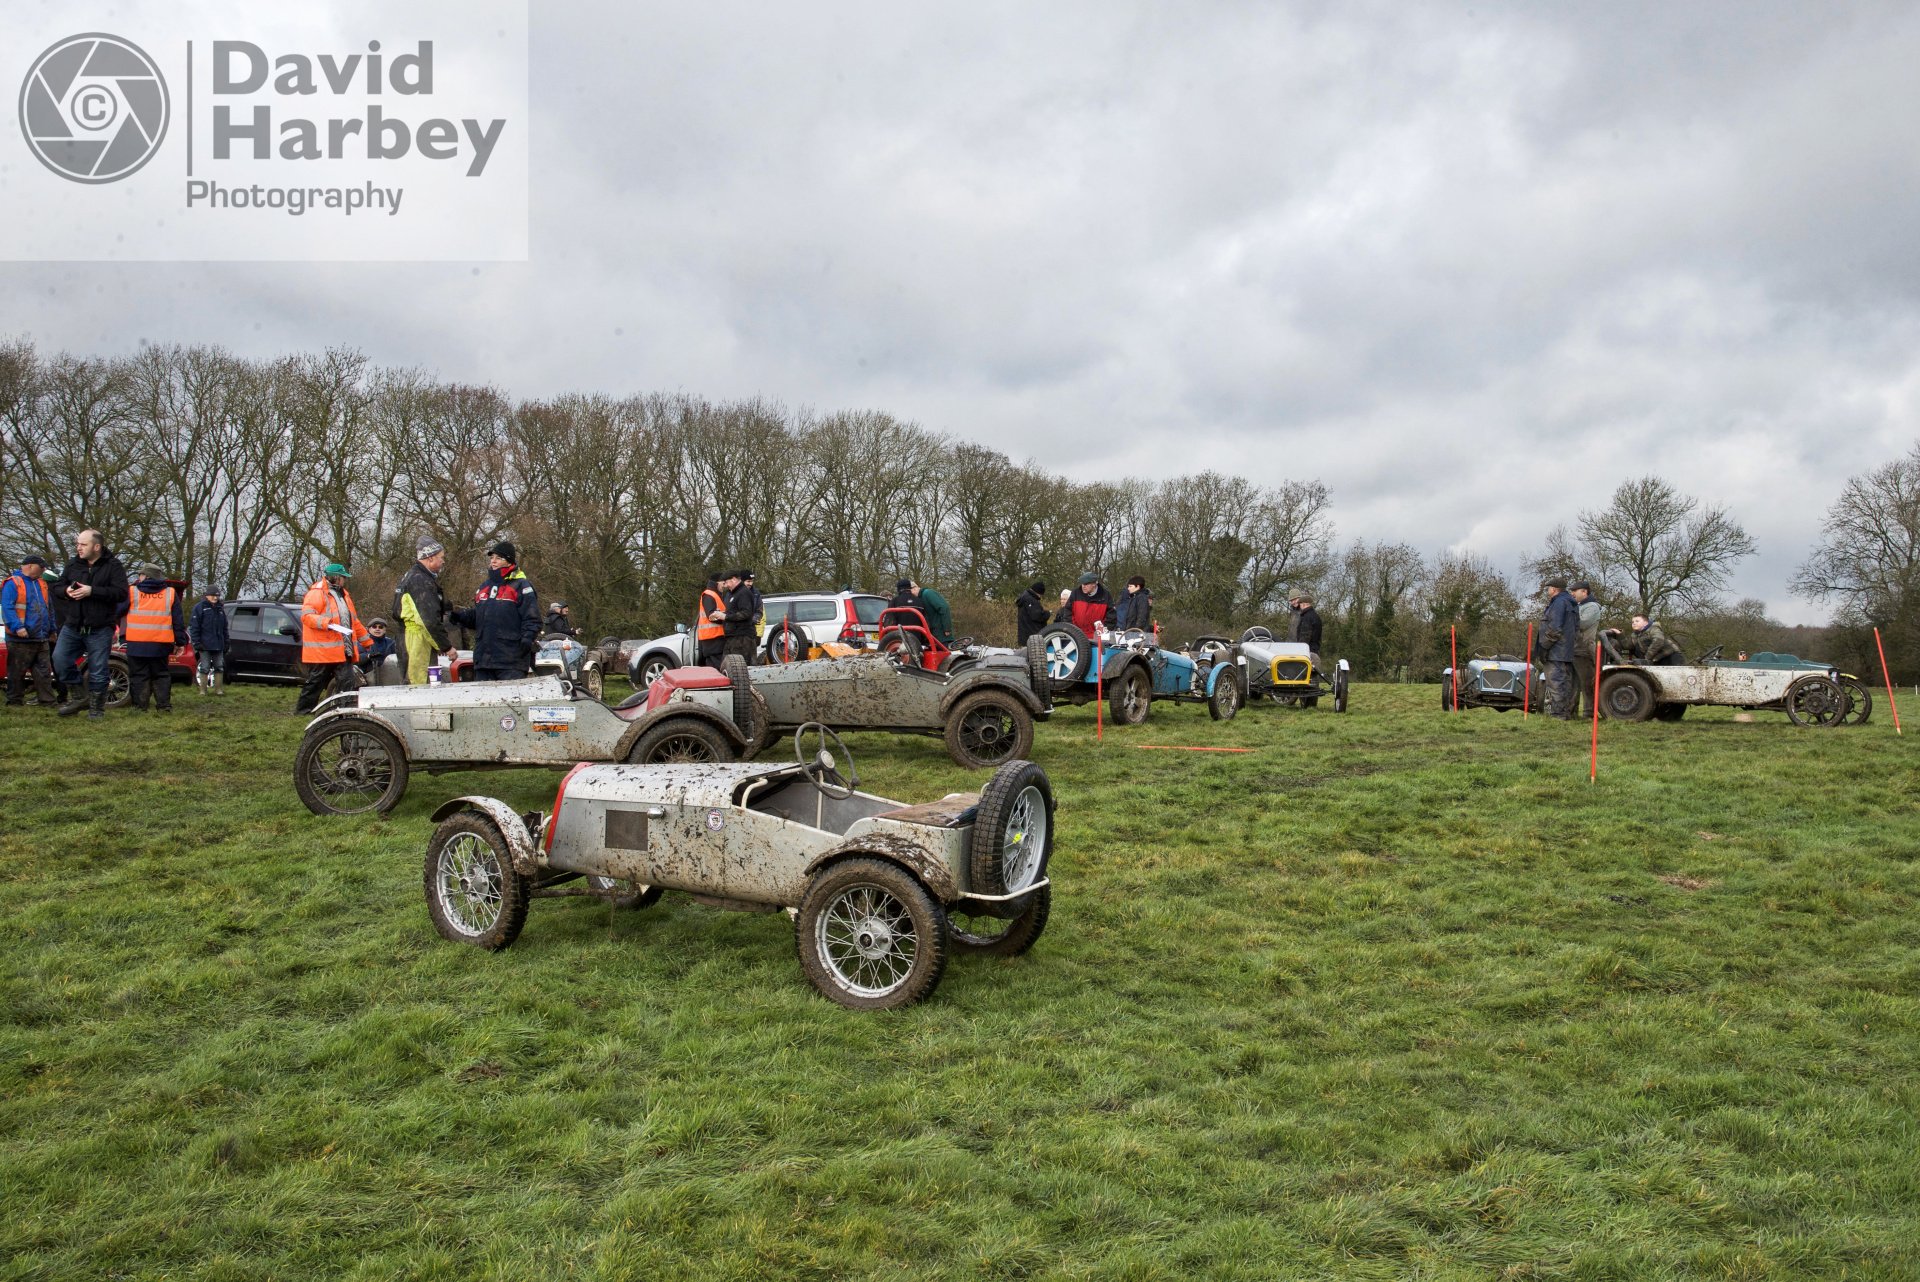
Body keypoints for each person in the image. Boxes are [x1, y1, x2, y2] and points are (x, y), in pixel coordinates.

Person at [50, 529, 130, 719]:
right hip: (73, 624)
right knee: (60, 659)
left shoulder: (114, 566)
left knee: (98, 669)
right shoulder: (73, 564)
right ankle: (80, 697)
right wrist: (67, 591)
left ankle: (96, 710)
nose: (78, 547)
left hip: (100, 627)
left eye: (83, 544)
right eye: (78, 544)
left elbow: (121, 593)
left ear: (97, 547)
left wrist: (92, 591)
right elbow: (58, 587)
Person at [451, 542, 541, 681]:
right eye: (492, 557)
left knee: (510, 701)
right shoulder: (484, 586)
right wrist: (458, 616)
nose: (493, 561)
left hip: (511, 661)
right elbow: (479, 616)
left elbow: (532, 619)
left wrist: (527, 640)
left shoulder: (521, 585)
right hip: (483, 660)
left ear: (509, 560)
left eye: (498, 558)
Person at [295, 562, 370, 714]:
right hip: (323, 650)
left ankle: (345, 709)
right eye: (343, 577)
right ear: (335, 577)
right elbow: (307, 616)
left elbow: (353, 621)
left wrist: (366, 641)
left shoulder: (344, 595)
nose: (344, 580)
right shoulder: (316, 593)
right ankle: (303, 711)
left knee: (347, 680)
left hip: (343, 648)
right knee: (316, 681)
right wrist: (326, 623)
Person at [123, 564, 185, 712]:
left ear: (146, 576)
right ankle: (163, 706)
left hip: (136, 643)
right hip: (161, 643)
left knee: (139, 675)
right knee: (161, 675)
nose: (138, 578)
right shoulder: (170, 593)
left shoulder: (132, 592)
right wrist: (180, 642)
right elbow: (178, 620)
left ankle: (140, 707)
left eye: (140, 575)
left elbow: (117, 611)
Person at [393, 541, 453, 684]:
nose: (443, 561)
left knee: (411, 683)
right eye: (441, 557)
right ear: (430, 558)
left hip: (406, 637)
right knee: (419, 686)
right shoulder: (421, 580)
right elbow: (428, 621)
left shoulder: (410, 575)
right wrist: (447, 647)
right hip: (416, 640)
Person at [3, 553, 58, 708]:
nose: (43, 570)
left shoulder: (42, 584)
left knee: (44, 672)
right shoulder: (13, 583)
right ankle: (14, 701)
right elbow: (7, 608)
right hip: (19, 637)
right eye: (41, 567)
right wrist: (17, 627)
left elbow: (49, 609)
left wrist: (52, 629)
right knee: (16, 672)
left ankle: (47, 701)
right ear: (31, 566)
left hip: (41, 636)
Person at [1538, 578, 1580, 719]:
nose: (1547, 590)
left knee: (1556, 683)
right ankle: (1566, 713)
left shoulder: (1559, 603)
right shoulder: (1571, 603)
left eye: (1548, 588)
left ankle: (1558, 715)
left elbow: (1555, 628)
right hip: (1566, 651)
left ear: (1554, 589)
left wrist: (1544, 647)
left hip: (1556, 651)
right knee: (1565, 683)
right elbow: (1576, 628)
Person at [1569, 581, 1603, 718]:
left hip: (1584, 649)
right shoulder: (1577, 606)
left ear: (1584, 592)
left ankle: (1589, 713)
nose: (1572, 593)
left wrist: (1567, 617)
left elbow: (1582, 624)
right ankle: (1571, 712)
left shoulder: (1593, 607)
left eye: (1575, 591)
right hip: (1573, 649)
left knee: (1587, 683)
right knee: (1572, 684)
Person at [189, 586, 229, 695]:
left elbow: (224, 627)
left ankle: (219, 690)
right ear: (206, 596)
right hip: (204, 644)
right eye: (213, 595)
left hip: (218, 644)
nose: (215, 598)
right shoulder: (199, 608)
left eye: (217, 595)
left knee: (219, 667)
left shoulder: (220, 609)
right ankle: (203, 690)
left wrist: (226, 642)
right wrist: (196, 642)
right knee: (205, 667)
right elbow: (194, 627)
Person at [1616, 615, 1685, 666]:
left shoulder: (1654, 628)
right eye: (1632, 622)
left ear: (1646, 622)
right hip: (1658, 658)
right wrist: (1619, 634)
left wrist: (1647, 658)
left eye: (1637, 621)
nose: (1634, 623)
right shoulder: (1635, 635)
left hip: (1671, 655)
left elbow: (1658, 641)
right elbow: (1627, 645)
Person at [721, 570, 758, 662]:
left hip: (742, 638)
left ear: (733, 579)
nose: (725, 585)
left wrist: (725, 617)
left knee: (742, 669)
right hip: (732, 637)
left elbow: (746, 613)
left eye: (726, 582)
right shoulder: (731, 594)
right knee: (729, 668)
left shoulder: (743, 593)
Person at [695, 573, 730, 668]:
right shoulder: (709, 595)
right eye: (723, 583)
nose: (724, 586)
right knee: (717, 666)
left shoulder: (714, 595)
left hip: (714, 638)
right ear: (717, 583)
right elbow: (711, 616)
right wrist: (727, 619)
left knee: (714, 667)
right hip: (712, 638)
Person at [1015, 580, 1050, 645]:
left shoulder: (1025, 597)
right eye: (1041, 594)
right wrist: (1047, 613)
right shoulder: (1031, 599)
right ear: (1038, 592)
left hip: (1025, 635)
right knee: (1033, 654)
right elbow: (1037, 616)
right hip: (1032, 636)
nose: (1040, 597)